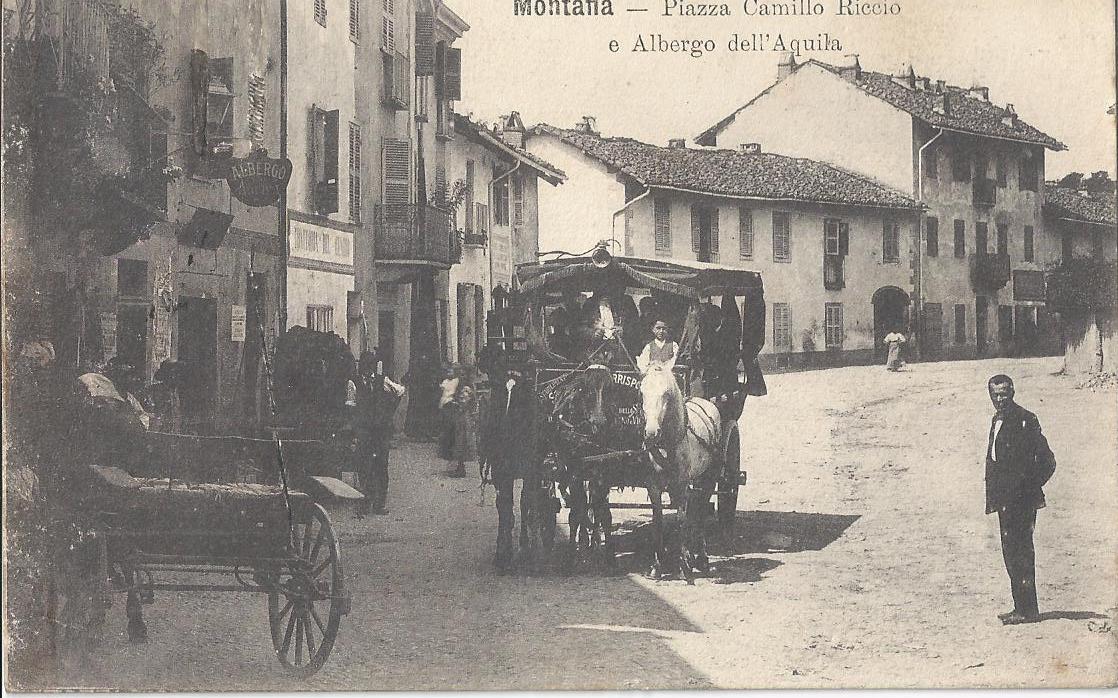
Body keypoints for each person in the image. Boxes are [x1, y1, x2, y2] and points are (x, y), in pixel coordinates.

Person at [984, 374, 1056, 625]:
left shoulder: (1026, 419)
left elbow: (1047, 461)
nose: (1000, 399)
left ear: (1012, 393)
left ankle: (1028, 610)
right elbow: (994, 460)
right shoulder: (997, 420)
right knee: (1010, 552)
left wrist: (1028, 490)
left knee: (1022, 551)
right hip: (1004, 500)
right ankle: (1020, 606)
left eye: (1004, 394)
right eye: (996, 395)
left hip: (1021, 502)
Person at [353, 350, 406, 516]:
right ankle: (365, 501)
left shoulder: (382, 381)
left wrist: (389, 411)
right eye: (365, 366)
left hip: (381, 431)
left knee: (381, 466)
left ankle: (379, 504)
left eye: (370, 366)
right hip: (365, 431)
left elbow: (400, 391)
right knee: (364, 466)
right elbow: (351, 405)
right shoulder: (354, 383)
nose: (367, 370)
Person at [442, 377, 478, 478]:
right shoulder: (459, 385)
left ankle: (460, 467)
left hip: (463, 420)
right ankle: (459, 466)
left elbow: (467, 400)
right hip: (459, 418)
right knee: (457, 442)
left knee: (460, 443)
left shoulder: (465, 387)